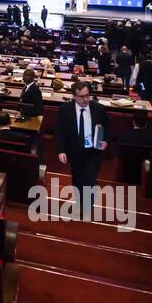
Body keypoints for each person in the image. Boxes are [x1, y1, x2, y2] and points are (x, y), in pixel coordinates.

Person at [55, 81, 109, 218]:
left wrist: (106, 141)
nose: (85, 99)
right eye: (81, 96)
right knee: (78, 180)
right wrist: (61, 150)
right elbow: (59, 132)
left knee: (90, 179)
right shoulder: (65, 109)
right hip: (74, 152)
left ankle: (86, 208)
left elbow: (108, 128)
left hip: (93, 151)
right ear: (74, 96)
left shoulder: (99, 109)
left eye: (87, 96)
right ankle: (80, 202)